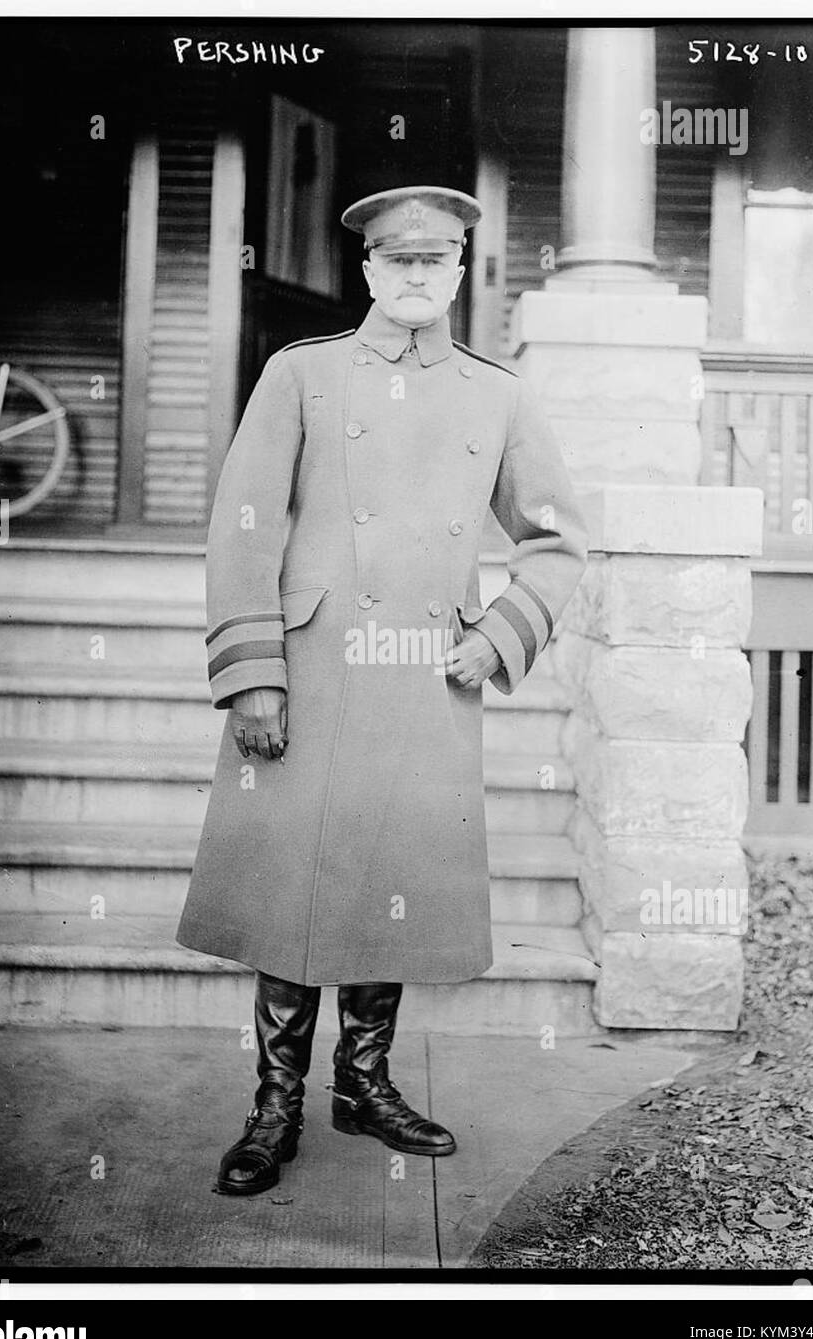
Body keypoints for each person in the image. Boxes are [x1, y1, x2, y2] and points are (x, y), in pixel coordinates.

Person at [177, 185, 588, 1196]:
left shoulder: (495, 395)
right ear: (366, 269)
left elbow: (556, 540)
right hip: (311, 673)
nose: (414, 275)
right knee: (290, 886)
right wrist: (253, 677)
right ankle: (274, 1105)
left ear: (457, 271)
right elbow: (243, 527)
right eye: (396, 259)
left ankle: (364, 1084)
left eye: (435, 259)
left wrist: (496, 638)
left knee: (389, 877)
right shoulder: (300, 376)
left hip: (422, 672)